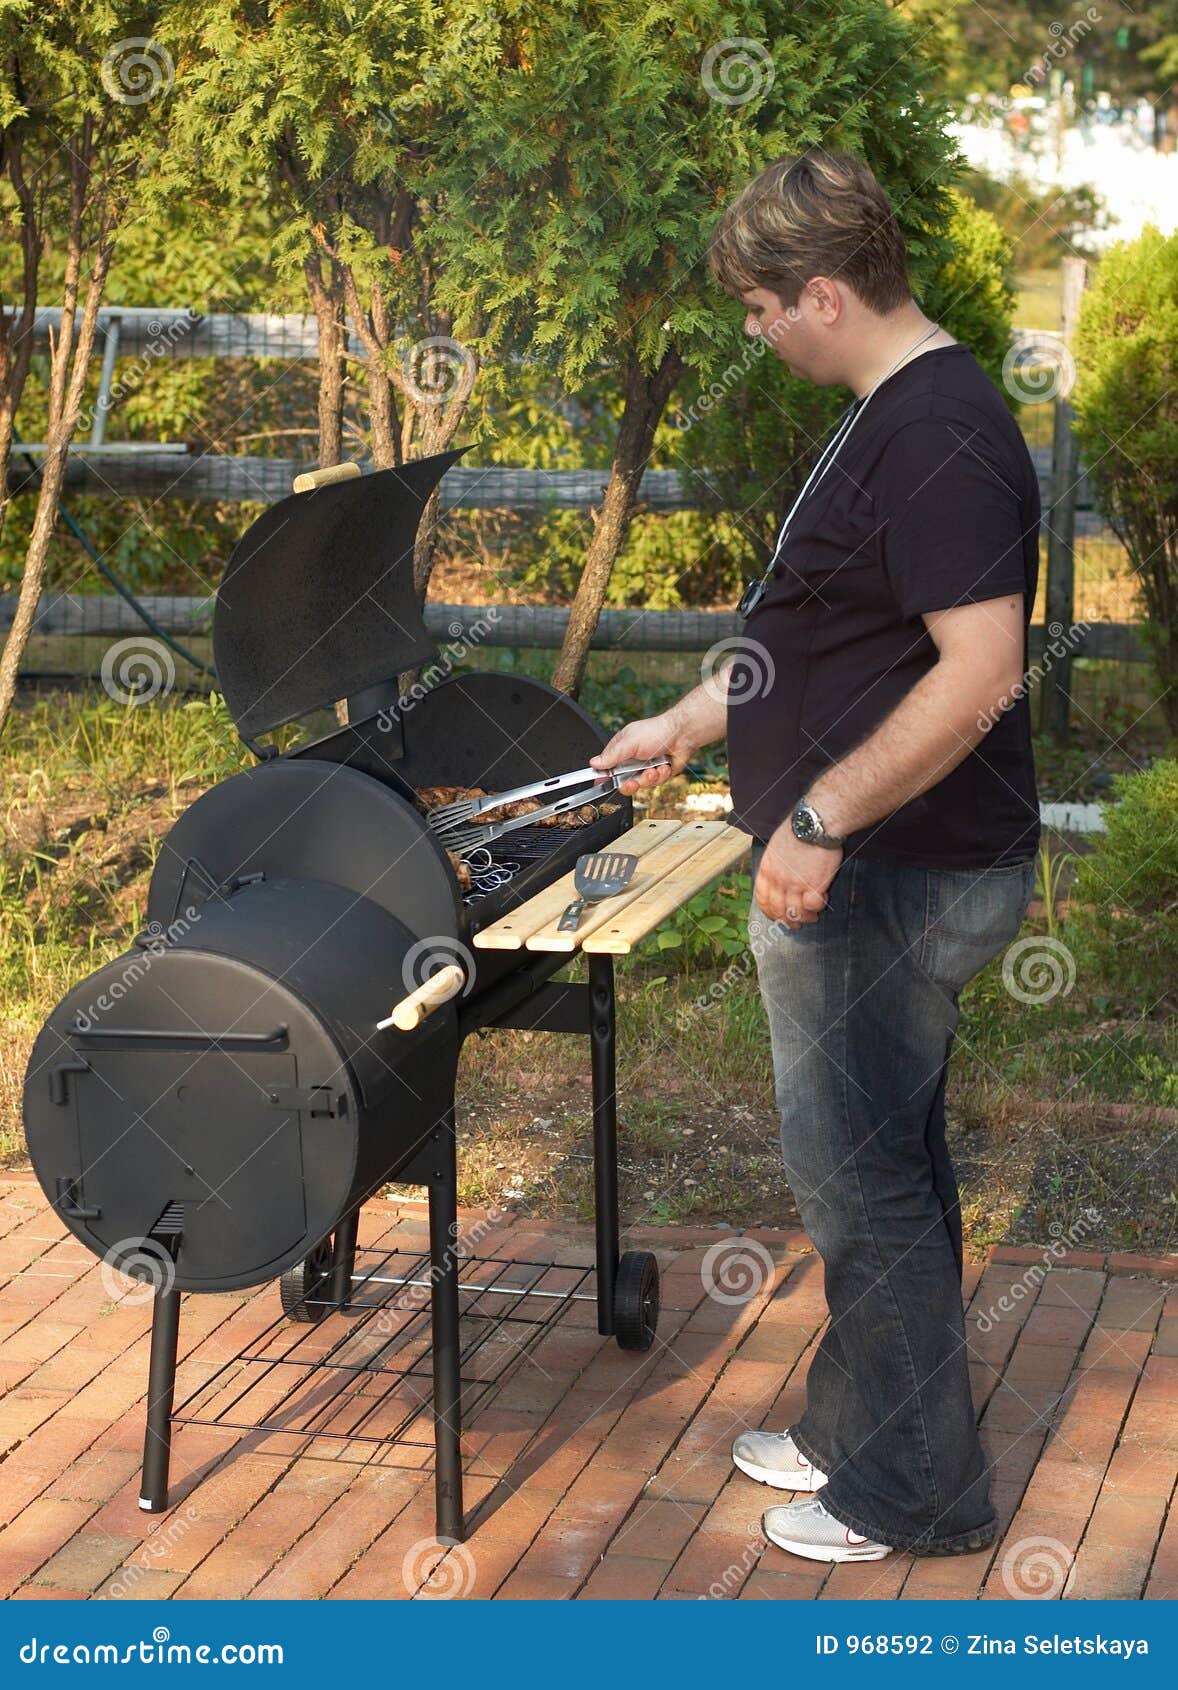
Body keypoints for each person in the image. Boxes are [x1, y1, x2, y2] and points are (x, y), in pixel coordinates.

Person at [591, 150, 1040, 1563]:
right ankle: (861, 1424)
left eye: (758, 306)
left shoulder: (943, 435)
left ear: (826, 292)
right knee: (877, 1157)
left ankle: (916, 1489)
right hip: (866, 866)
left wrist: (817, 814)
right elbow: (816, 630)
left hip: (892, 875)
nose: (751, 331)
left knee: (863, 1176)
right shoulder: (888, 410)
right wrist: (682, 717)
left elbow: (979, 675)